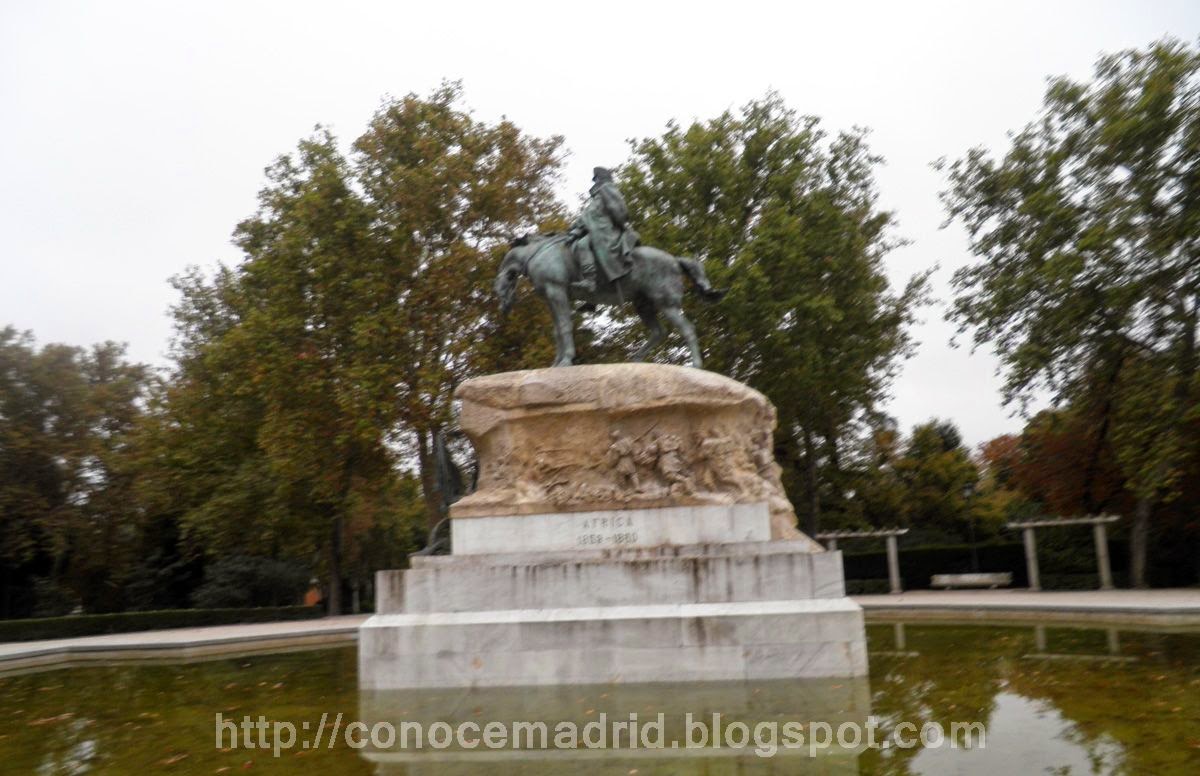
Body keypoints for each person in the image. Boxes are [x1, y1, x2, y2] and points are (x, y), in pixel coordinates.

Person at [568, 167, 639, 295]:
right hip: (596, 231)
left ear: (601, 178)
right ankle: (591, 290)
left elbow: (618, 210)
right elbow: (587, 216)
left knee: (582, 245)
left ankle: (590, 281)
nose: (595, 182)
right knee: (575, 247)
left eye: (596, 179)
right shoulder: (597, 196)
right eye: (594, 180)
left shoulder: (607, 189)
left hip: (606, 231)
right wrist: (575, 229)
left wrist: (620, 223)